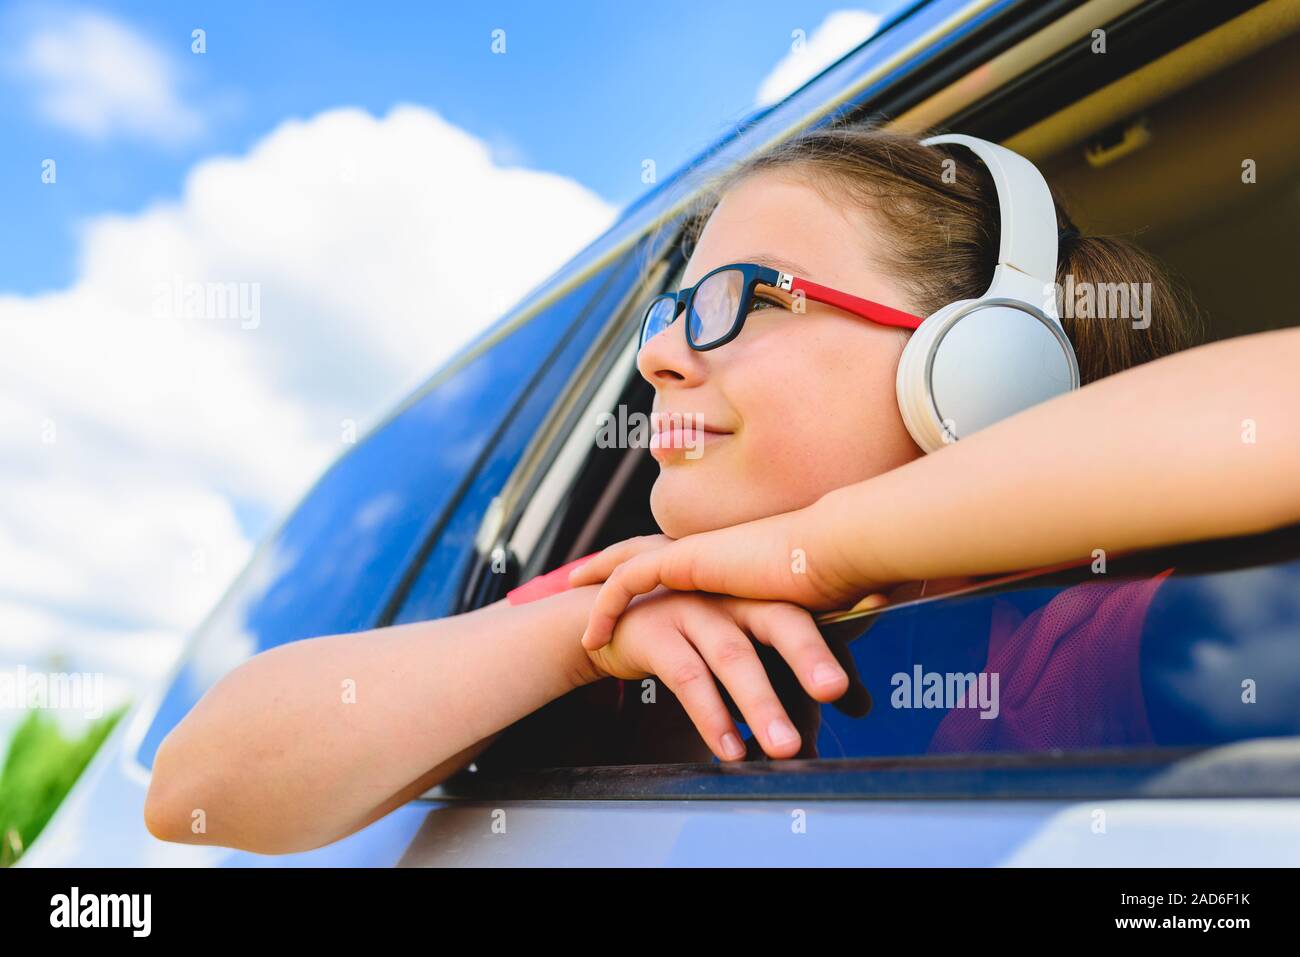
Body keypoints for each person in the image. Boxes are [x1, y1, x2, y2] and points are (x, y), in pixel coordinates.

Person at [144, 126, 1299, 855]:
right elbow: (196, 790)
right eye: (664, 312)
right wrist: (571, 646)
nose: (657, 355)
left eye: (741, 296)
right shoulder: (610, 620)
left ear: (977, 366)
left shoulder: (1069, 643)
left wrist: (825, 549)